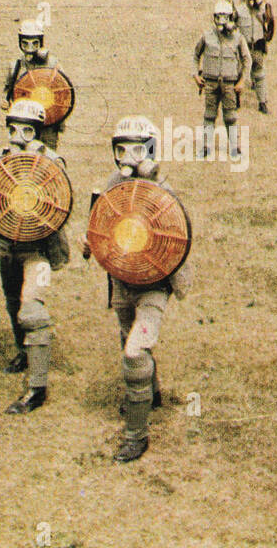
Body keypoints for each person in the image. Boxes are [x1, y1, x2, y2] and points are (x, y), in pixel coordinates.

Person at [81, 116, 193, 463]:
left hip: (155, 284)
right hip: (123, 278)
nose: (127, 157)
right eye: (121, 149)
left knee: (135, 350)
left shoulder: (163, 190)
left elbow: (178, 235)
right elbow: (98, 230)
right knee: (127, 334)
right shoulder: (108, 188)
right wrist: (90, 244)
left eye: (136, 149)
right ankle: (150, 393)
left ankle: (136, 435)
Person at [0, 100, 71, 414]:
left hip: (38, 250)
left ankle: (36, 388)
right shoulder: (2, 159)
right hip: (8, 246)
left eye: (26, 130)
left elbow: (59, 205)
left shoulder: (52, 163)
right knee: (12, 299)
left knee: (32, 310)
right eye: (13, 129)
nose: (18, 137)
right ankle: (23, 352)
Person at [193, 0, 250, 158]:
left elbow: (247, 60)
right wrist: (195, 75)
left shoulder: (238, 38)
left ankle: (235, 147)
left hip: (229, 84)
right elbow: (196, 55)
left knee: (231, 117)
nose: (221, 21)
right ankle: (205, 147)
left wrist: (242, 80)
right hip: (210, 83)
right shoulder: (207, 36)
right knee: (209, 115)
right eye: (218, 17)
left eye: (224, 17)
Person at [1, 20, 63, 149]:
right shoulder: (16, 66)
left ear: (41, 42)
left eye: (35, 43)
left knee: (47, 155)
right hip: (24, 120)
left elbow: (63, 90)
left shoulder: (52, 63)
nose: (29, 48)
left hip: (48, 121)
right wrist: (5, 100)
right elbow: (8, 89)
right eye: (25, 43)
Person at [239, 0, 274, 113]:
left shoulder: (264, 9)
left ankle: (262, 102)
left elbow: (270, 26)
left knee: (259, 75)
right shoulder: (239, 9)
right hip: (243, 47)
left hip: (257, 46)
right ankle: (235, 100)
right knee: (237, 74)